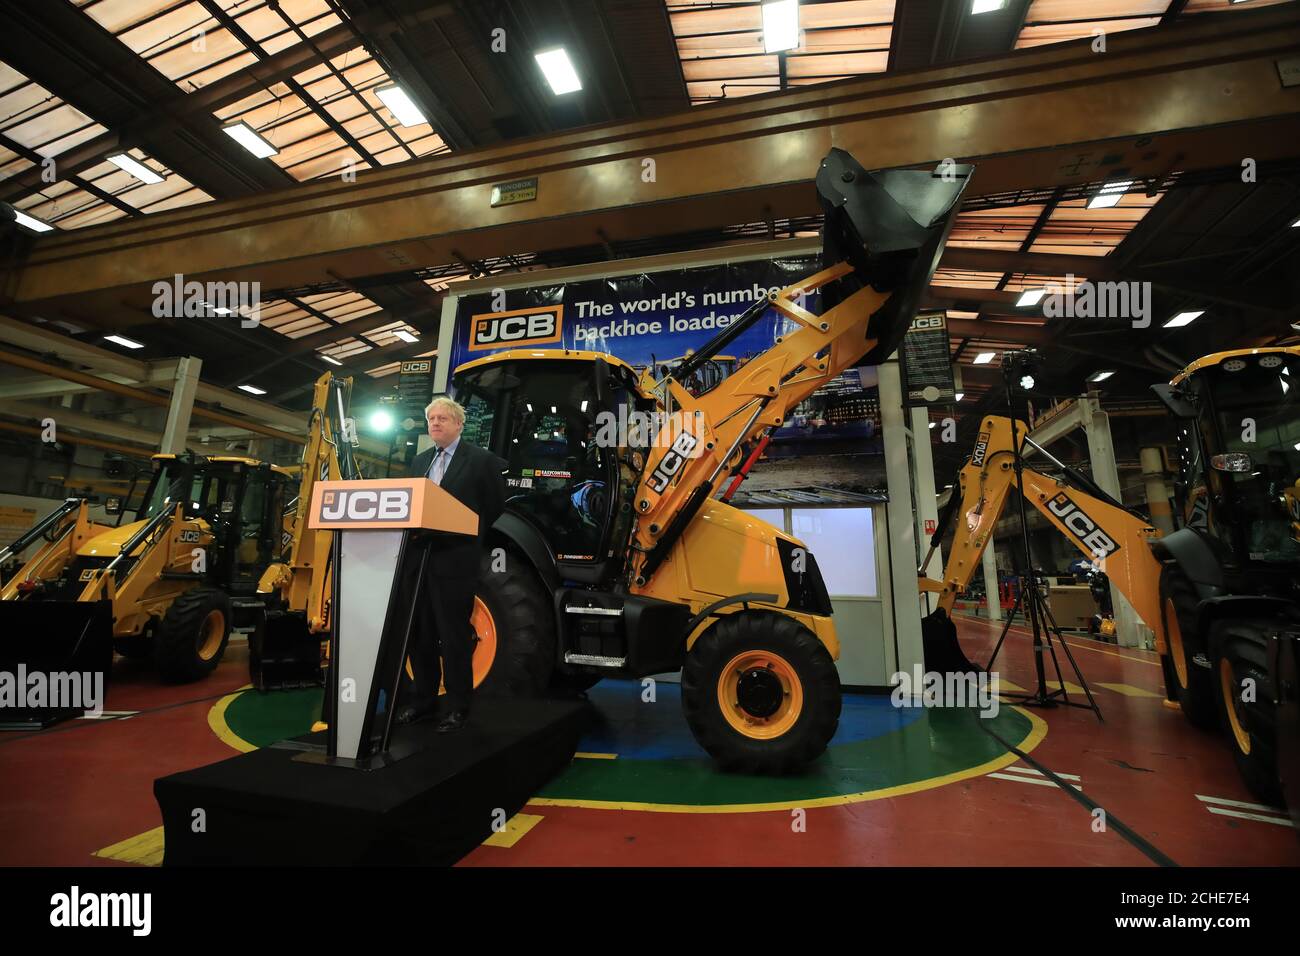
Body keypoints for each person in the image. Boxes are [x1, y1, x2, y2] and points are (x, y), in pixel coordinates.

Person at [396, 396, 506, 732]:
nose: (436, 424)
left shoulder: (481, 460)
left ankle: (458, 706)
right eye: (431, 419)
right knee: (420, 635)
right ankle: (424, 701)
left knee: (453, 635)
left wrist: (468, 536)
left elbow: (494, 505)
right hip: (419, 559)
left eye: (443, 418)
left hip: (454, 560)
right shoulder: (419, 462)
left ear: (459, 424)